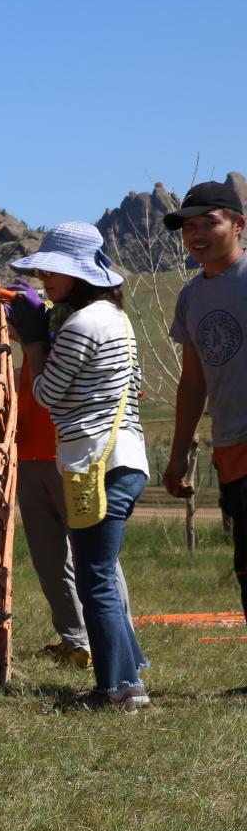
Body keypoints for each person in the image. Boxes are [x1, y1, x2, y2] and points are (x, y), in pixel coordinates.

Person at [24, 222, 149, 711]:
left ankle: (117, 689)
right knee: (100, 572)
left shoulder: (80, 325)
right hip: (127, 455)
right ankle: (130, 671)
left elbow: (48, 395)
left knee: (94, 577)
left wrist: (35, 347)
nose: (42, 276)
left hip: (96, 462)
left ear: (79, 274)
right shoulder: (117, 319)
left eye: (53, 270)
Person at [7, 279, 130, 669]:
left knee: (95, 556)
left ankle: (119, 639)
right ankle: (76, 641)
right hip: (29, 458)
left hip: (73, 456)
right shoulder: (31, 346)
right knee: (49, 559)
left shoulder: (69, 330)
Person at [160, 181, 247, 619]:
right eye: (187, 226)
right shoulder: (190, 297)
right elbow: (192, 383)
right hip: (229, 447)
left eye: (208, 222)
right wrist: (178, 457)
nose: (196, 234)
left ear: (238, 225)